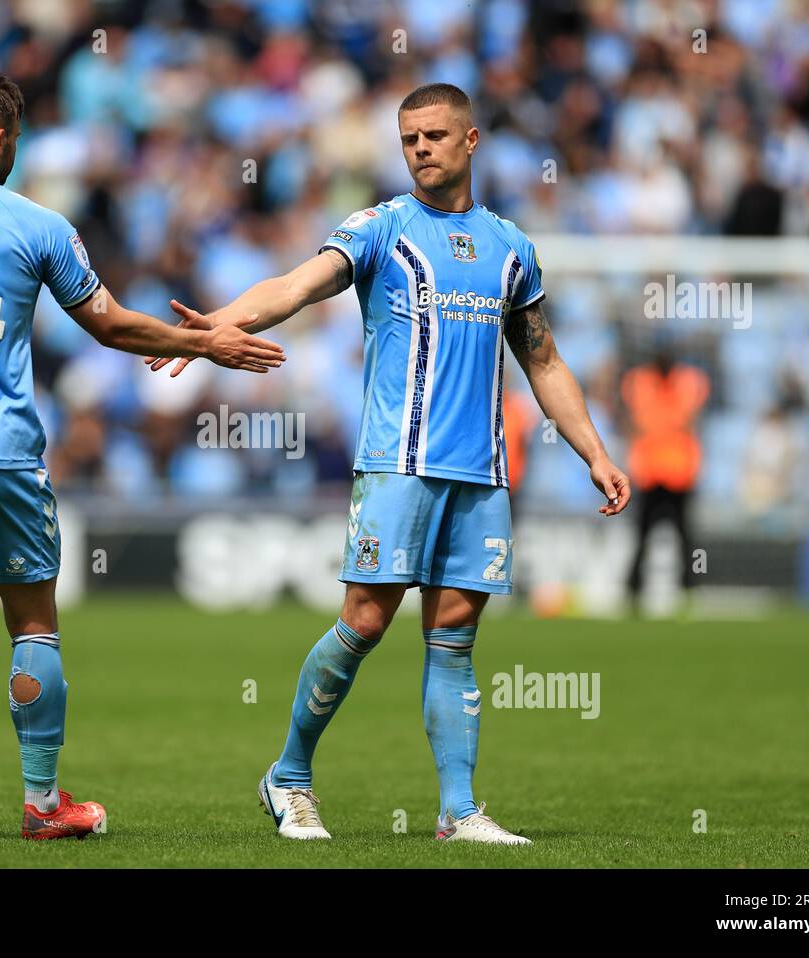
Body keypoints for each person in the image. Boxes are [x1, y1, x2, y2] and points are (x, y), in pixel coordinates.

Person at [148, 83, 630, 844]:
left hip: (482, 474)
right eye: (409, 140)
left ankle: (458, 810)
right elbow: (297, 287)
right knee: (366, 620)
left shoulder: (512, 247)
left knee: (456, 639)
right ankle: (290, 776)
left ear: (471, 142)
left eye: (435, 136)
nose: (420, 150)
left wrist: (596, 453)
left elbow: (544, 361)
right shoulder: (381, 228)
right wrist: (218, 326)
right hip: (397, 463)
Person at [0, 69, 282, 844]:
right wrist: (206, 343)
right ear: (1, 137)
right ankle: (42, 805)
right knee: (32, 625)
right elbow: (111, 326)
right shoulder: (35, 224)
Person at [621, 349, 709, 610]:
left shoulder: (688, 381)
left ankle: (688, 588)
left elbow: (681, 417)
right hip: (650, 471)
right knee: (643, 535)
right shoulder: (640, 381)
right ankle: (635, 589)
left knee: (684, 536)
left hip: (679, 471)